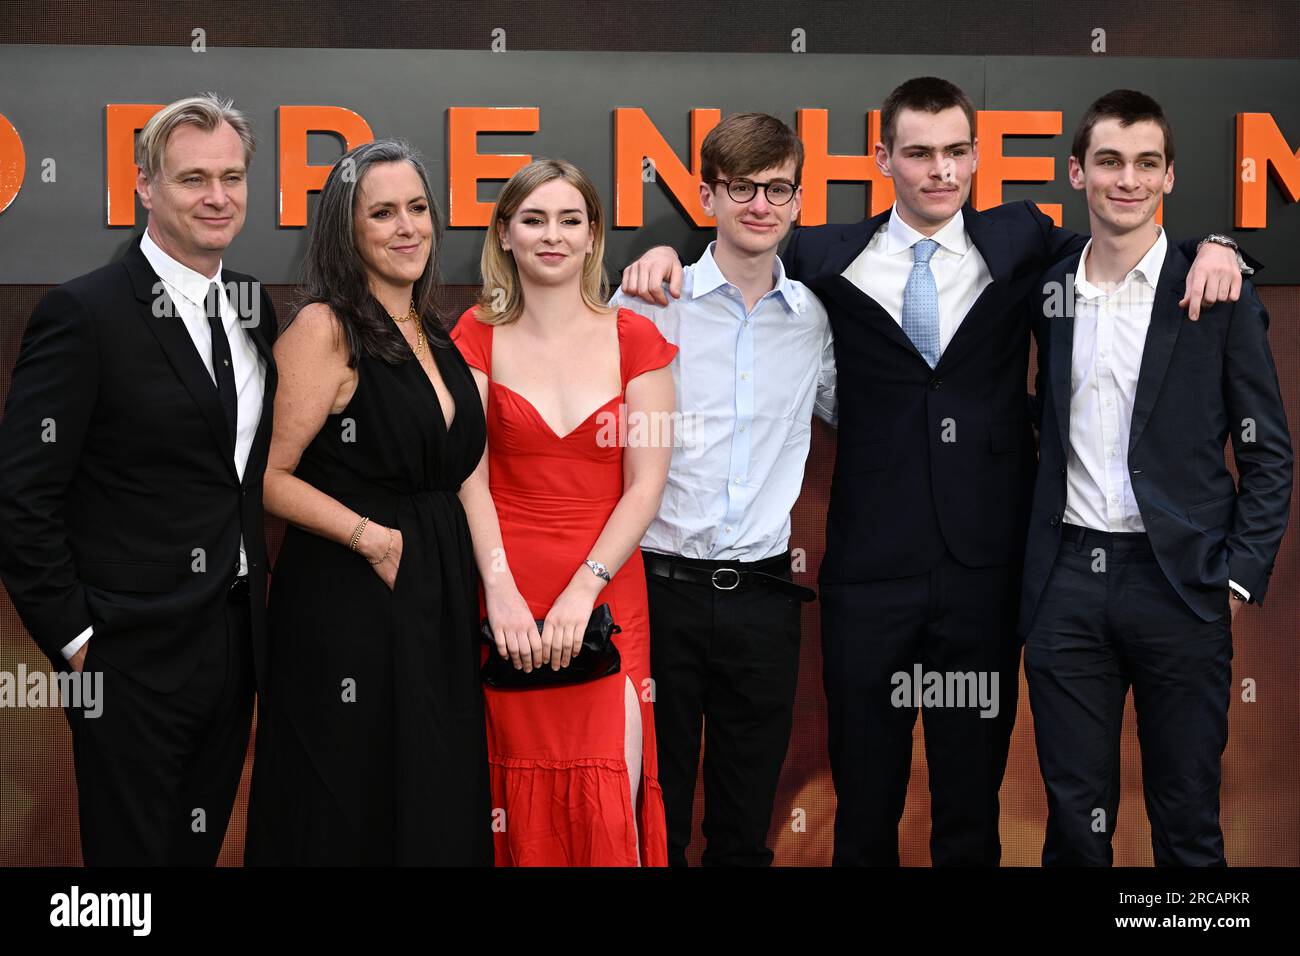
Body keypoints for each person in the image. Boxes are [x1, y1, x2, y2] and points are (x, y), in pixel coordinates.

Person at [620, 76, 1249, 866]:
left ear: (978, 158)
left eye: (955, 152)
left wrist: (1220, 245)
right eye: (919, 153)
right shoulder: (823, 253)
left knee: (968, 807)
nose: (940, 171)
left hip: (985, 574)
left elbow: (1132, 237)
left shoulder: (1022, 240)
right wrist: (657, 255)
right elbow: (734, 249)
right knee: (865, 806)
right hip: (867, 577)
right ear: (883, 158)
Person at [0, 93, 275, 865]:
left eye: (231, 176)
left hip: (233, 644)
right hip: (127, 657)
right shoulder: (83, 313)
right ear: (145, 188)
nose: (216, 196)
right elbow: (21, 496)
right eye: (192, 179)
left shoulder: (254, 307)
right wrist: (79, 643)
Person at [1021, 90, 1292, 866]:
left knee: (1188, 820)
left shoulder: (1216, 291)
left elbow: (1269, 452)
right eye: (1109, 162)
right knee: (1076, 822)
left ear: (1169, 176)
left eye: (1146, 164)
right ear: (1078, 172)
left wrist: (1237, 579)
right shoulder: (1047, 282)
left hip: (1181, 584)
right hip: (1067, 583)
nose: (1127, 180)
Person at [244, 139, 491, 865]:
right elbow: (264, 475)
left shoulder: (437, 332)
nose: (407, 227)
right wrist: (372, 540)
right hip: (348, 603)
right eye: (382, 213)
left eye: (417, 208)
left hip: (433, 600)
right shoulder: (325, 329)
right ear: (346, 231)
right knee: (351, 801)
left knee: (428, 792)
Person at [608, 113, 835, 866]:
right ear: (708, 195)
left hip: (766, 600)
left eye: (778, 189)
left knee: (745, 828)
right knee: (652, 815)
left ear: (799, 201)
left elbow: (883, 409)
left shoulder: (815, 323)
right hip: (655, 589)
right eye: (742, 188)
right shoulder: (644, 302)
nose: (761, 204)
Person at [451, 158, 676, 866]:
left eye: (570, 220)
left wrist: (585, 589)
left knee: (608, 794)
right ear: (506, 235)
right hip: (504, 600)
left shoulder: (639, 338)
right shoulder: (473, 334)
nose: (553, 235)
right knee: (507, 805)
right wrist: (502, 591)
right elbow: (468, 477)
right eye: (534, 219)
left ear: (592, 237)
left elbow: (647, 484)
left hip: (608, 597)